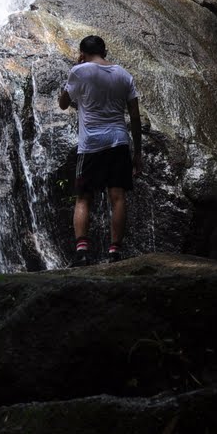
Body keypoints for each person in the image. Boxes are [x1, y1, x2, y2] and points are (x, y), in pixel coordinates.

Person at [57, 34, 141, 265]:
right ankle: (115, 251)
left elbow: (63, 104)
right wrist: (138, 153)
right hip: (119, 141)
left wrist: (77, 66)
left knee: (83, 197)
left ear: (82, 54)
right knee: (118, 196)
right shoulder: (124, 75)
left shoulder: (80, 71)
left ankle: (82, 251)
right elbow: (134, 116)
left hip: (91, 144)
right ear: (105, 52)